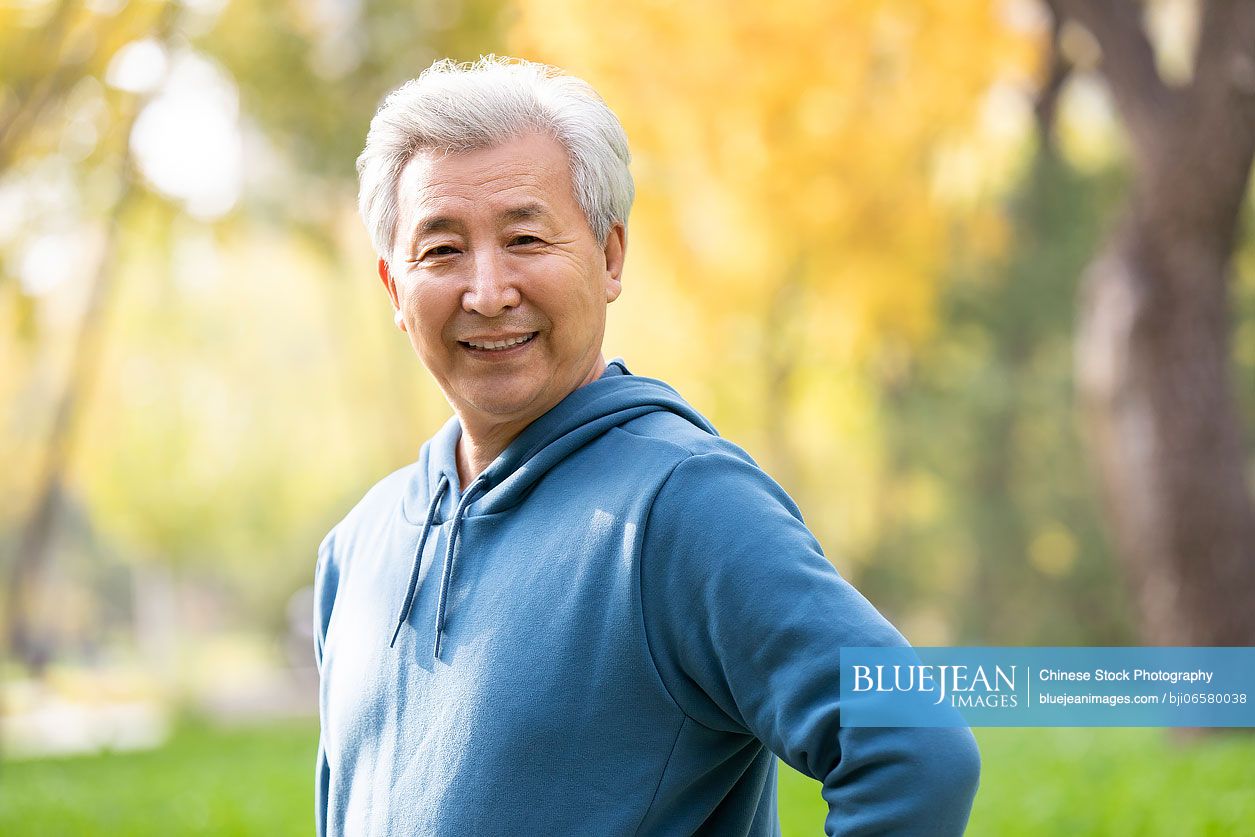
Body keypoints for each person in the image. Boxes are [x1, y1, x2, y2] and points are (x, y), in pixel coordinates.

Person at [314, 55, 980, 837]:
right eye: (442, 249)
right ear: (394, 286)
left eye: (525, 238)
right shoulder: (358, 544)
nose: (487, 292)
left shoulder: (685, 505)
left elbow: (916, 750)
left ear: (609, 257)